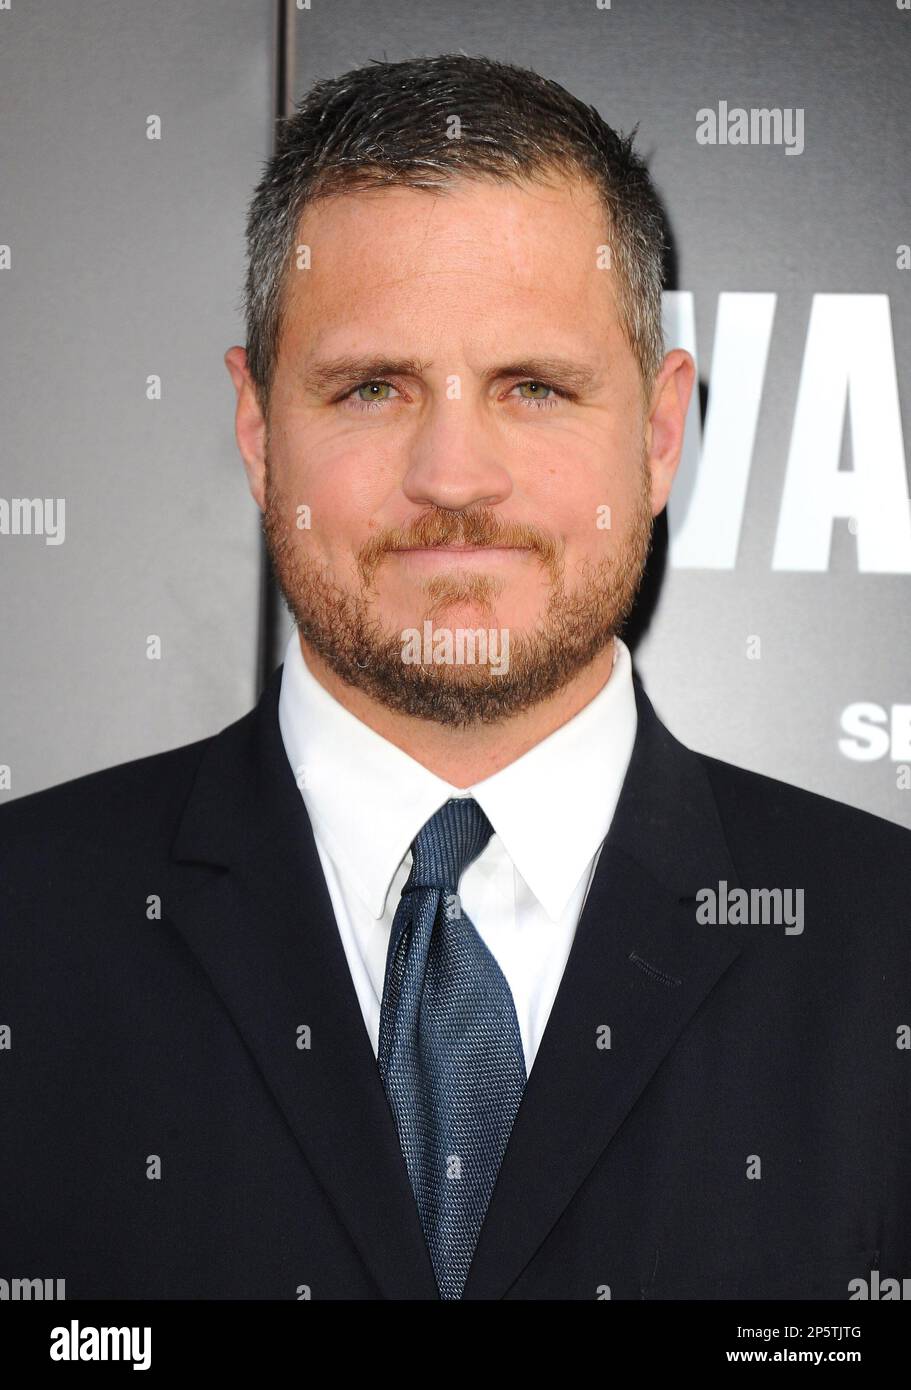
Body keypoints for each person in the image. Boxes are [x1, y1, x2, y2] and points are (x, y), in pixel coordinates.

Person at [1, 53, 908, 1302]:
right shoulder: (24, 931)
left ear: (656, 436)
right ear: (258, 432)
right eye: (371, 388)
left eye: (532, 388)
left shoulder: (884, 950)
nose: (454, 478)